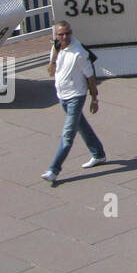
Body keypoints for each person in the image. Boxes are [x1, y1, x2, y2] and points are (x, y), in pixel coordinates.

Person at [42, 21, 106, 183]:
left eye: (67, 33)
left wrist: (94, 99)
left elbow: (90, 77)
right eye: (61, 34)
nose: (65, 37)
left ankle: (54, 170)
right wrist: (54, 56)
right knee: (81, 125)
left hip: (76, 96)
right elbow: (51, 72)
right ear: (56, 35)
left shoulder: (79, 53)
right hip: (62, 95)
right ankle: (98, 154)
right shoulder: (56, 47)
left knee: (68, 135)